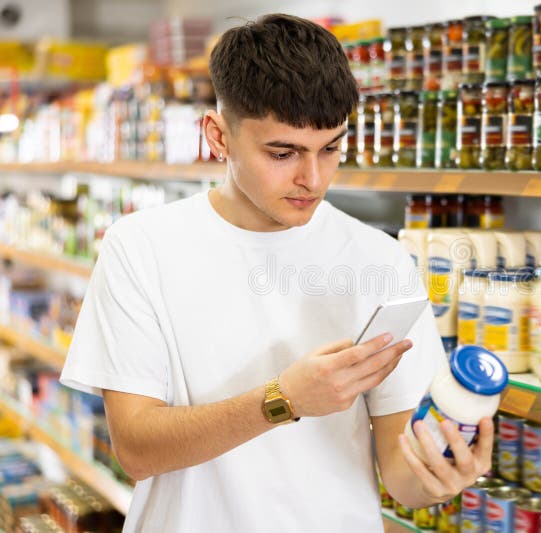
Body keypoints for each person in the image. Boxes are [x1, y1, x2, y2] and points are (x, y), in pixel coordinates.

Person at [60, 13, 494, 532]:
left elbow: (401, 476)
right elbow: (136, 449)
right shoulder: (141, 248)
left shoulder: (380, 261)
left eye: (330, 148)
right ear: (218, 136)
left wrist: (439, 477)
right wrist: (283, 401)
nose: (311, 178)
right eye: (282, 152)